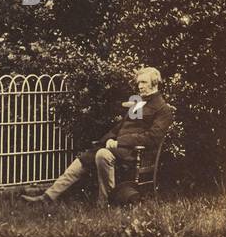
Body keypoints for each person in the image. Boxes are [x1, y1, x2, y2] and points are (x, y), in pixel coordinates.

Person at [21, 67, 174, 206]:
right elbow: (120, 127)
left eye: (144, 82)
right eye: (138, 82)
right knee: (84, 158)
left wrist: (120, 141)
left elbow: (152, 137)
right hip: (117, 147)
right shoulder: (138, 103)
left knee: (102, 154)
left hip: (135, 152)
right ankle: (47, 198)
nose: (139, 86)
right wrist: (107, 140)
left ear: (154, 83)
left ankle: (106, 202)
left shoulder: (163, 109)